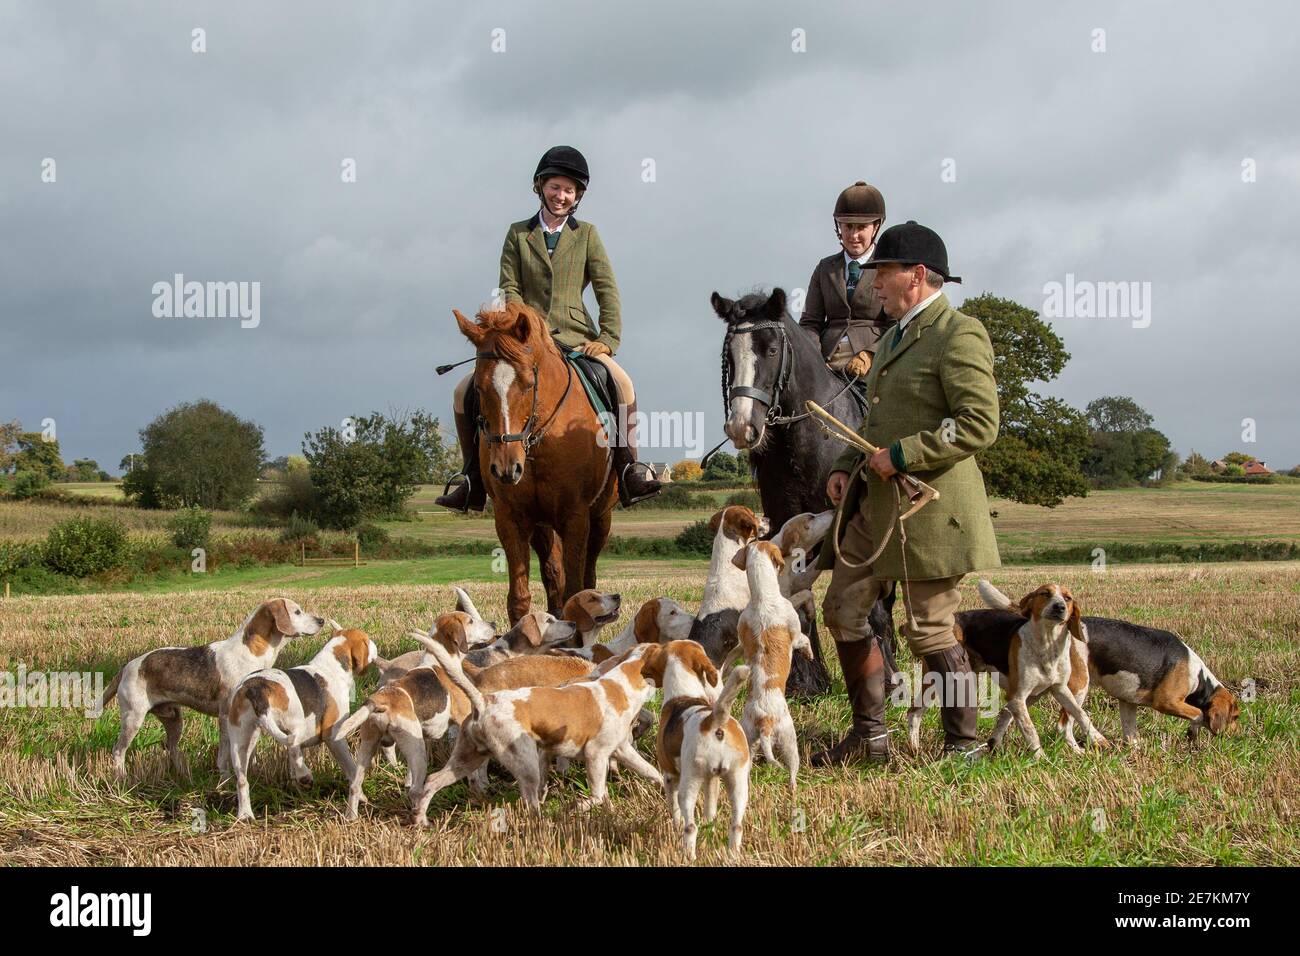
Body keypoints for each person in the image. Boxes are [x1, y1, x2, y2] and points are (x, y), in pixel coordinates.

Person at [812, 221, 1001, 765]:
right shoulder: (891, 337)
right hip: (876, 506)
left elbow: (978, 423)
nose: (872, 286)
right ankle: (870, 740)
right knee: (844, 609)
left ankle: (964, 747)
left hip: (931, 509)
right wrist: (849, 462)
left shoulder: (958, 333)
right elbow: (876, 420)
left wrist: (900, 456)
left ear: (915, 276)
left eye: (881, 274)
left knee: (928, 629)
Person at [437, 145, 661, 511]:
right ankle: (471, 479)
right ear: (540, 187)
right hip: (524, 341)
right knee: (463, 391)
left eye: (569, 190)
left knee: (622, 383)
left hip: (576, 338)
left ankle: (628, 468)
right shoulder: (516, 234)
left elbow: (608, 290)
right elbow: (508, 287)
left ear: (577, 197)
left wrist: (607, 339)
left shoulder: (587, 234)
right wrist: (521, 328)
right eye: (555, 187)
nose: (561, 195)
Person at [798, 181, 891, 377]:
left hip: (872, 361)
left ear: (875, 227)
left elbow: (896, 325)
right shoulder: (825, 268)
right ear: (839, 227)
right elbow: (810, 322)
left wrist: (870, 354)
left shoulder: (888, 269)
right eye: (848, 227)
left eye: (861, 227)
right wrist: (814, 356)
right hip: (826, 360)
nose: (853, 235)